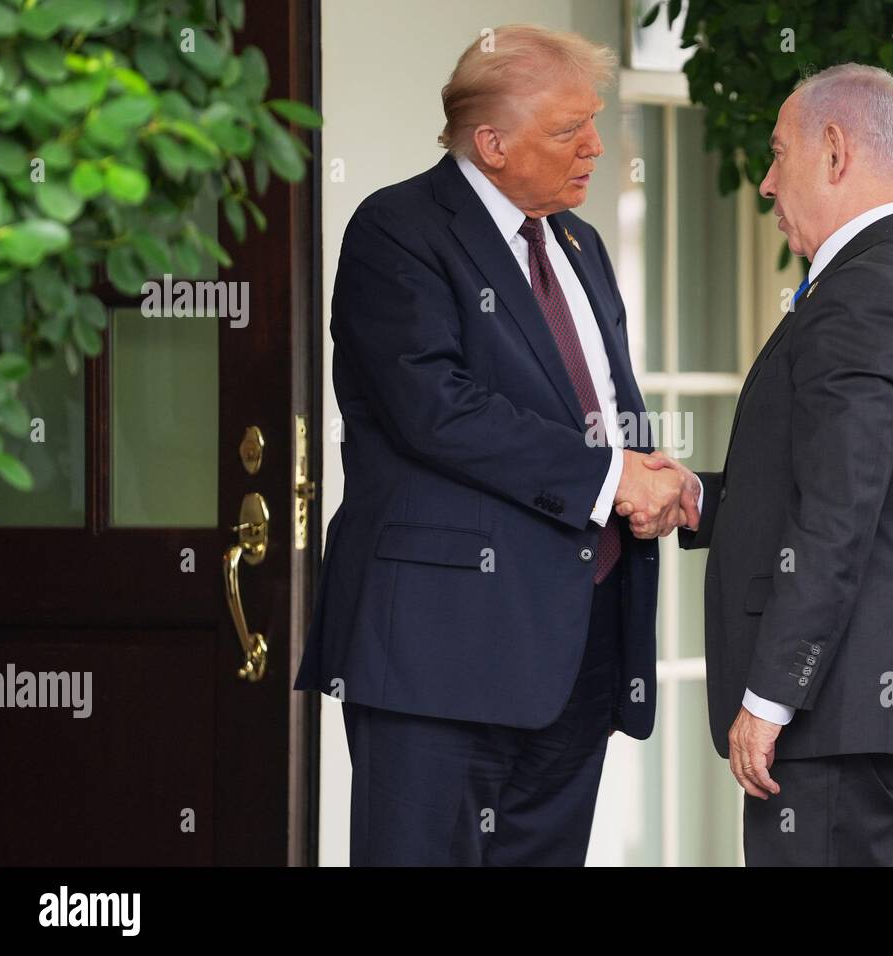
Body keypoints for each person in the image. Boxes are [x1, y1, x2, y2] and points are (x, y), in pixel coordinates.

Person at [294, 25, 686, 866]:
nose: (595, 147)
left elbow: (606, 409)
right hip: (442, 655)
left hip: (577, 645)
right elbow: (438, 410)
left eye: (595, 122)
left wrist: (647, 474)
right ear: (492, 143)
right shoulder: (396, 229)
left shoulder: (577, 243)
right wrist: (611, 479)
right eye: (567, 131)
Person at [635, 63, 893, 866]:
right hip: (890, 699)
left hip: (835, 709)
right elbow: (860, 489)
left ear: (833, 151)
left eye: (777, 154)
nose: (766, 183)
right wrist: (697, 496)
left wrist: (771, 699)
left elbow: (837, 518)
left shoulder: (861, 293)